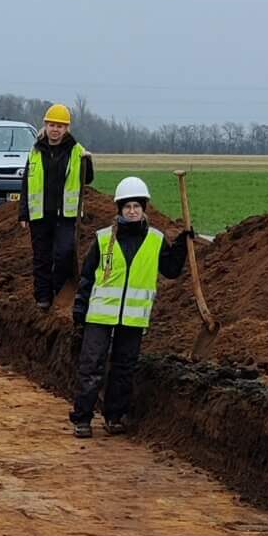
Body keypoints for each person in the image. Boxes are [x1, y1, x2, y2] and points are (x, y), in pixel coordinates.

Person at [69, 176, 190, 438]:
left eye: (136, 206)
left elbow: (170, 270)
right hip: (100, 316)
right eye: (127, 207)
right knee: (91, 367)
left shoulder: (156, 240)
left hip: (133, 319)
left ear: (143, 208)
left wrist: (181, 245)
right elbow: (87, 277)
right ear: (120, 209)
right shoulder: (103, 240)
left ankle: (114, 417)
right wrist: (80, 309)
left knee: (123, 369)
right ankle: (82, 419)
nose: (132, 211)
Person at [19, 104, 94, 308]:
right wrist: (23, 213)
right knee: (41, 258)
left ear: (66, 128)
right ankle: (43, 299)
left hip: (66, 216)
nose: (55, 129)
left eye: (60, 126)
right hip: (40, 214)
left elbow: (87, 179)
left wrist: (89, 161)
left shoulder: (77, 151)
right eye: (52, 125)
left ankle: (60, 294)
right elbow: (27, 183)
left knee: (63, 255)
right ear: (45, 125)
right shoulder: (35, 151)